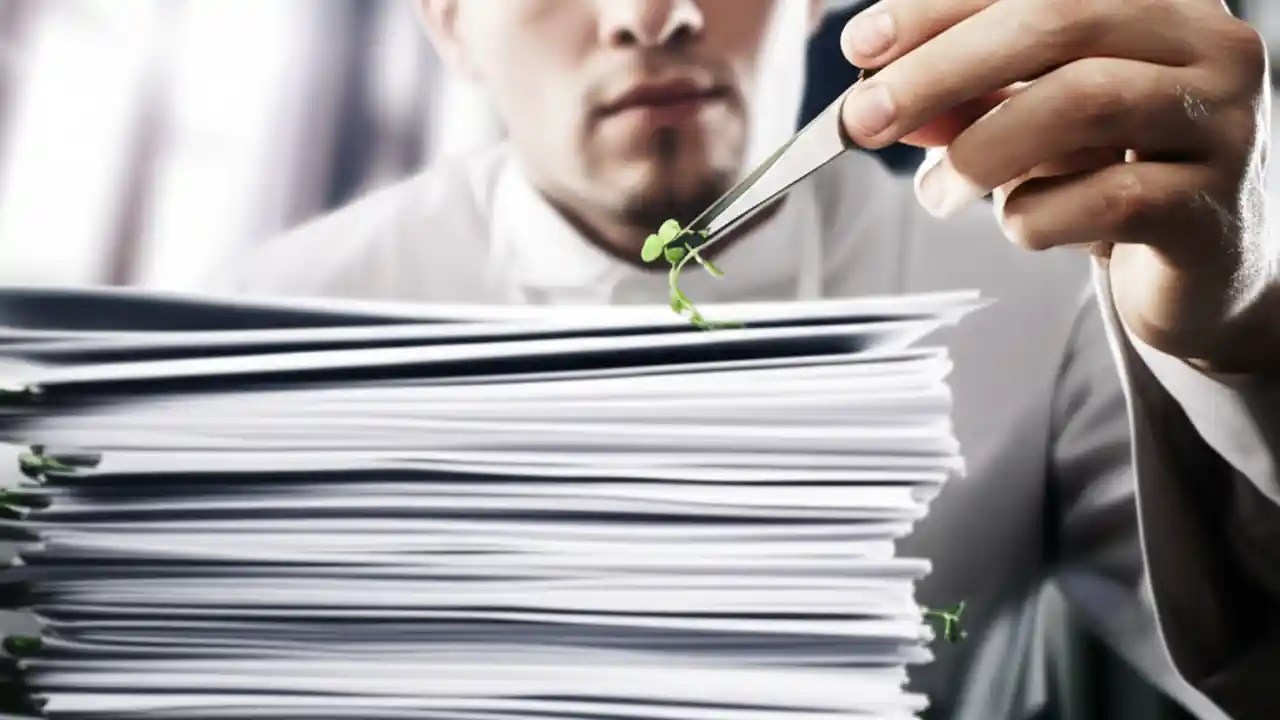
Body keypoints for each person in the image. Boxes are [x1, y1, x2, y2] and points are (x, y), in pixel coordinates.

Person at [206, 1, 1280, 718]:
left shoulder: (1041, 275)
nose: (650, 16)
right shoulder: (278, 331)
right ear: (448, 24)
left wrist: (1238, 340)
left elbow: (1254, 668)